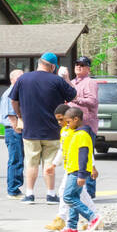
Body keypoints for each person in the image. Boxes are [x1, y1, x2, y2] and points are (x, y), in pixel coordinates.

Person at [11, 52, 76, 203]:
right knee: (49, 162)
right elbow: (73, 95)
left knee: (31, 162)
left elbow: (13, 100)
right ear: (53, 66)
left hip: (30, 129)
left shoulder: (23, 79)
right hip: (52, 129)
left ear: (39, 62)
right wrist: (66, 78)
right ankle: (51, 194)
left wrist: (20, 115)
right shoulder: (57, 81)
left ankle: (29, 194)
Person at [59, 108, 102, 232]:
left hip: (77, 171)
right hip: (72, 169)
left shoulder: (82, 135)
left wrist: (82, 175)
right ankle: (72, 226)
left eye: (68, 122)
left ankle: (93, 217)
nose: (67, 125)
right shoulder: (75, 133)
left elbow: (83, 156)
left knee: (67, 197)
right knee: (74, 196)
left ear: (76, 119)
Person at [68, 55, 100, 198]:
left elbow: (92, 101)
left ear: (88, 68)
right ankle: (77, 189)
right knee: (74, 157)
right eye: (77, 64)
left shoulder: (90, 82)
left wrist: (76, 99)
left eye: (82, 64)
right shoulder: (72, 82)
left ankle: (90, 191)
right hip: (72, 125)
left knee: (87, 157)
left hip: (86, 125)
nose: (78, 66)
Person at [0, 69, 26, 198]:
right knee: (16, 159)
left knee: (19, 159)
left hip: (18, 129)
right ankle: (13, 189)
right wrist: (17, 129)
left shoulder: (18, 91)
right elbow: (11, 115)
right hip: (13, 130)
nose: (22, 79)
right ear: (12, 79)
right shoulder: (10, 93)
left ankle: (15, 187)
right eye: (19, 77)